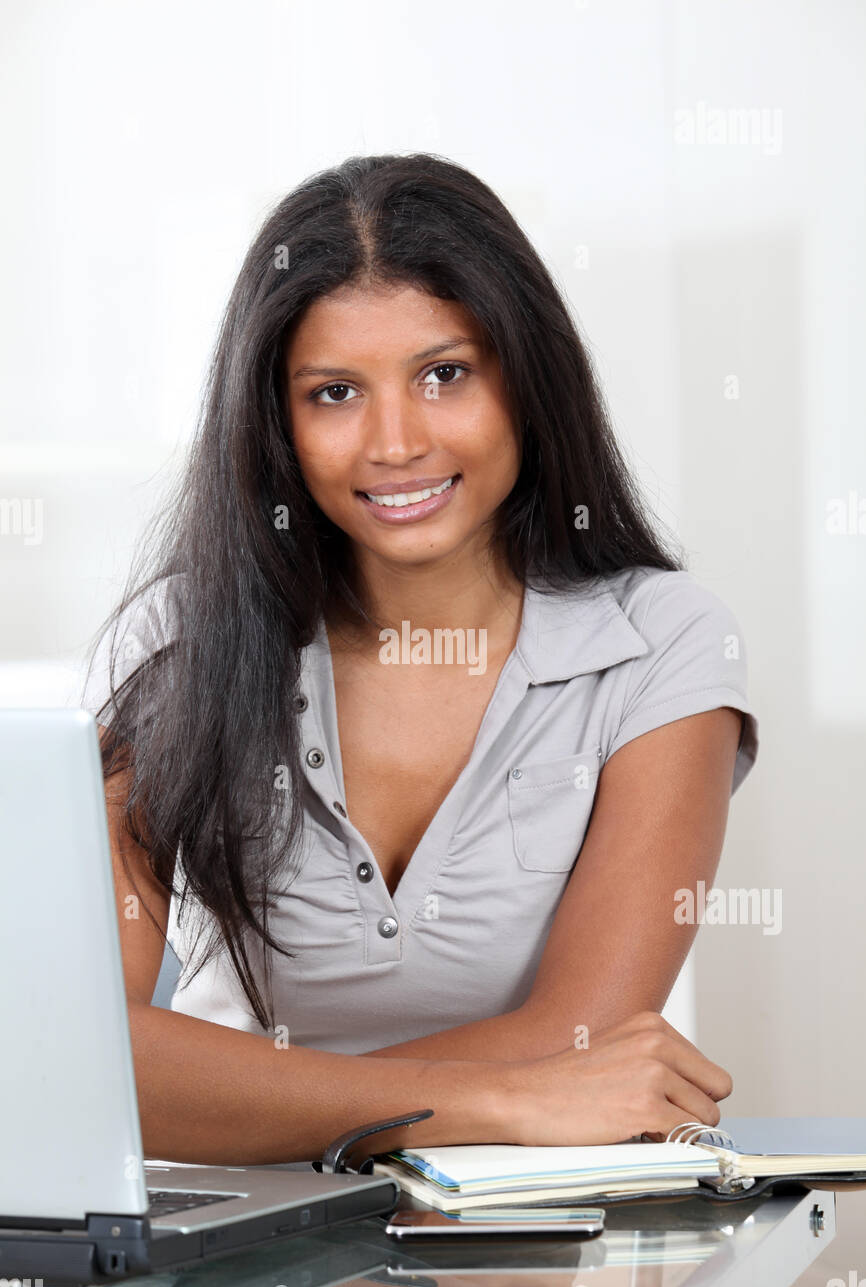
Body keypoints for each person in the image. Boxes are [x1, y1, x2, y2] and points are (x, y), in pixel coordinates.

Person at [81, 152, 758, 1165]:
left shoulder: (660, 647)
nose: (392, 442)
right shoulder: (172, 645)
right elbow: (77, 1057)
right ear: (274, 417)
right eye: (333, 393)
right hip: (232, 1254)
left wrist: (220, 1090)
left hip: (525, 1247)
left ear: (525, 377)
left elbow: (575, 1036)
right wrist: (512, 1096)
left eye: (444, 374)